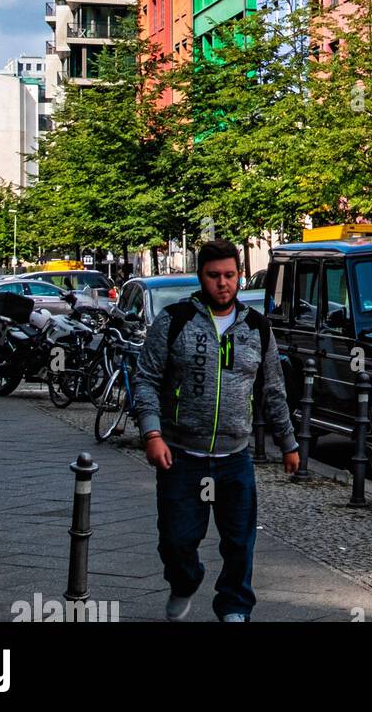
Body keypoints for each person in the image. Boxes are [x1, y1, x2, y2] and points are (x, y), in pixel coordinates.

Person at [134, 239, 298, 623]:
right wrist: (152, 434)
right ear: (200, 277)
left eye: (229, 275)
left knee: (239, 542)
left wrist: (288, 443)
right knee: (177, 542)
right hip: (182, 455)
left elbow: (272, 389)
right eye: (214, 276)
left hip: (234, 457)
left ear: (239, 276)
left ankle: (234, 607)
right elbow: (145, 379)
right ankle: (184, 582)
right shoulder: (174, 321)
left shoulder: (256, 327)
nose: (222, 283)